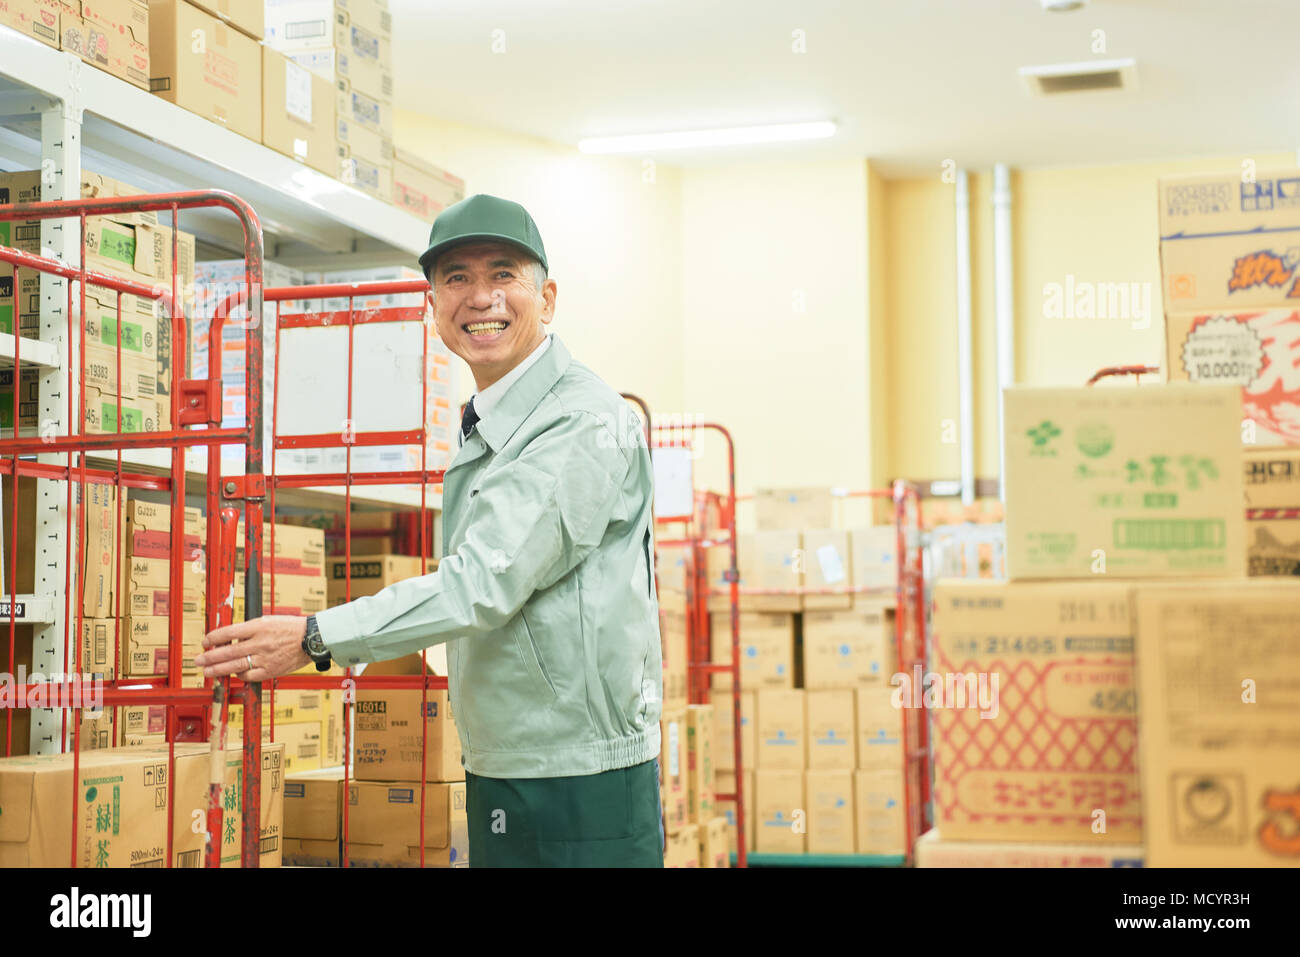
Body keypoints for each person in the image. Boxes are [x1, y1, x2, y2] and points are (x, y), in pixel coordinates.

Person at [195, 194, 665, 867]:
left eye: (503, 274)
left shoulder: (576, 422)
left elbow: (482, 581)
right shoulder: (497, 419)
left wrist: (315, 634)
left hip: (575, 774)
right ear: (433, 304)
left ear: (548, 298)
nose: (480, 298)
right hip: (517, 754)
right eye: (456, 279)